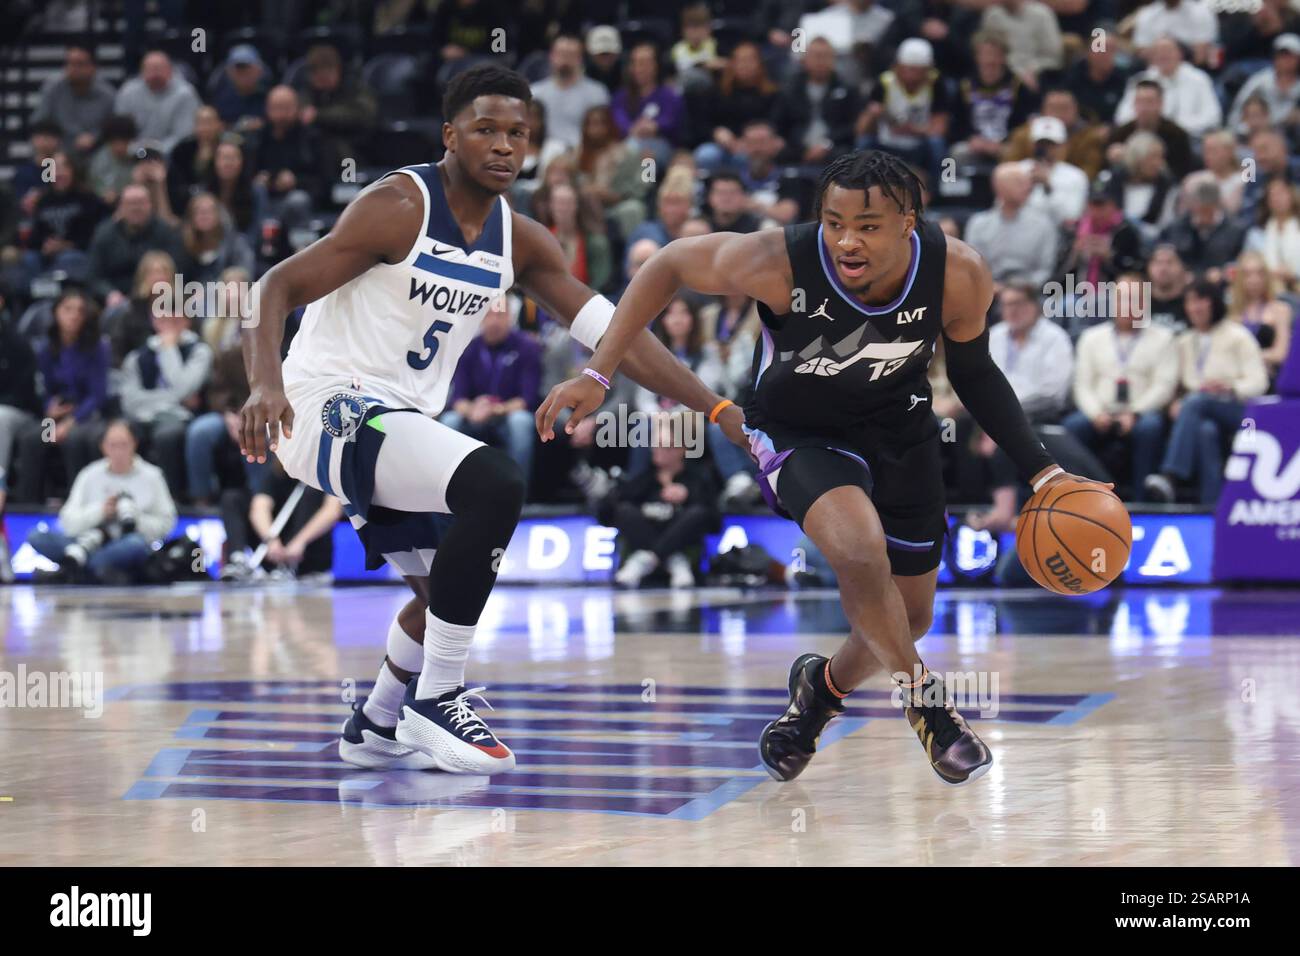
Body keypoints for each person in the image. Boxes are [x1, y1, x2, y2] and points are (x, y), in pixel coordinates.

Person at [537, 150, 1109, 785]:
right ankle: (928, 704)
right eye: (834, 222)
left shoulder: (958, 273)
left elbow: (974, 373)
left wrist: (1044, 472)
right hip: (799, 433)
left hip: (903, 434)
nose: (846, 239)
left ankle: (819, 693)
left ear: (908, 224)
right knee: (861, 554)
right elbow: (668, 264)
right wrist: (597, 371)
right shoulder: (781, 260)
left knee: (906, 617)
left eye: (867, 225)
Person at [238, 64, 745, 775]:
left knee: (446, 589)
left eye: (518, 133)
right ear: (450, 136)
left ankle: (378, 721)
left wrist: (716, 406)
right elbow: (274, 286)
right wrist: (263, 384)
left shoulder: (522, 239)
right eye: (486, 130)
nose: (504, 145)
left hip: (400, 420)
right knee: (495, 482)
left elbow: (616, 331)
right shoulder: (397, 205)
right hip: (326, 404)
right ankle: (438, 697)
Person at [1145, 280, 1270, 503]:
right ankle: (1211, 505)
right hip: (1201, 411)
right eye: (1190, 302)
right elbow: (1175, 384)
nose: (1195, 307)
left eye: (1201, 300)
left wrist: (1230, 386)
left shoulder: (1238, 336)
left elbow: (1259, 383)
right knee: (1205, 430)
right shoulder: (1183, 341)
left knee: (1196, 402)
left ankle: (1171, 475)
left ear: (1214, 303)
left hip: (1241, 411)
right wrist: (1175, 401)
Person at [1064, 273, 1179, 499]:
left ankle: (1142, 501)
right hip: (1100, 412)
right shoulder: (1091, 338)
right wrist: (1096, 413)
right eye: (1122, 299)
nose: (1127, 306)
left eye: (1134, 299)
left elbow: (1164, 386)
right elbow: (1082, 385)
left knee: (1150, 428)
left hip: (1142, 412)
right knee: (1072, 427)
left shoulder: (1164, 338)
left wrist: (1134, 412)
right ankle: (1080, 498)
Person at [26, 419, 176, 584]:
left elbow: (167, 524)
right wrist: (100, 512)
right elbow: (67, 521)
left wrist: (135, 519)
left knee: (136, 545)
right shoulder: (89, 474)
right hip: (87, 541)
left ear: (134, 444)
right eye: (113, 445)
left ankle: (74, 570)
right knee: (36, 536)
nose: (118, 451)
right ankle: (92, 570)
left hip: (125, 544)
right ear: (103, 447)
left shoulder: (152, 476)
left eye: (123, 444)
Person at [440, 294, 542, 485]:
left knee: (521, 422)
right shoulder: (468, 348)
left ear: (510, 317)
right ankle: (449, 491)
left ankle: (519, 491)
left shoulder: (527, 347)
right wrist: (472, 410)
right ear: (479, 318)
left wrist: (497, 409)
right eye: (489, 315)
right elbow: (458, 398)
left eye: (500, 315)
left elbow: (528, 399)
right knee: (449, 421)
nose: (494, 321)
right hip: (475, 416)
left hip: (507, 415)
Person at [599, 437, 720, 589]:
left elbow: (715, 522)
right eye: (655, 446)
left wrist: (689, 496)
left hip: (681, 539)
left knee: (698, 513)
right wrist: (604, 493)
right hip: (648, 535)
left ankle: (645, 561)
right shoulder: (644, 477)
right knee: (624, 511)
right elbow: (607, 513)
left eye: (665, 446)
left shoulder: (697, 478)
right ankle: (671, 559)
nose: (658, 451)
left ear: (681, 450)